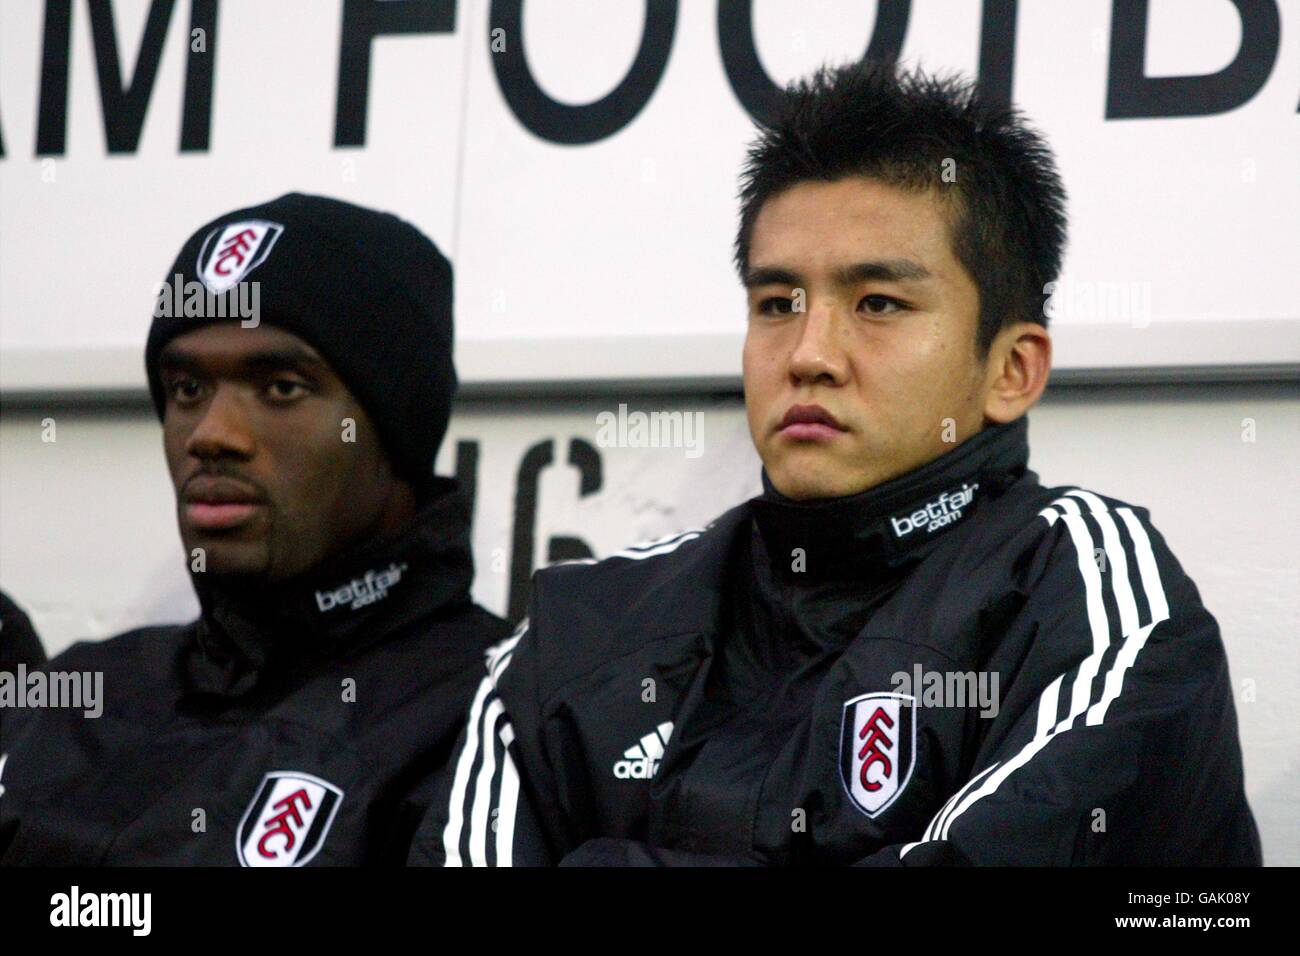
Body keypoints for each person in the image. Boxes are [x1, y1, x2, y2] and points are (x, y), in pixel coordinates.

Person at [409, 62, 1261, 866]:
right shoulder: (580, 626)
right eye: (777, 303)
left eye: (878, 303)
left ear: (1012, 370)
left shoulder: (1087, 587)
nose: (809, 354)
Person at [0, 193, 510, 865]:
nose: (212, 434)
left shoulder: (493, 719)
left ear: (395, 430)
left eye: (280, 389)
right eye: (186, 390)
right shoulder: (84, 692)